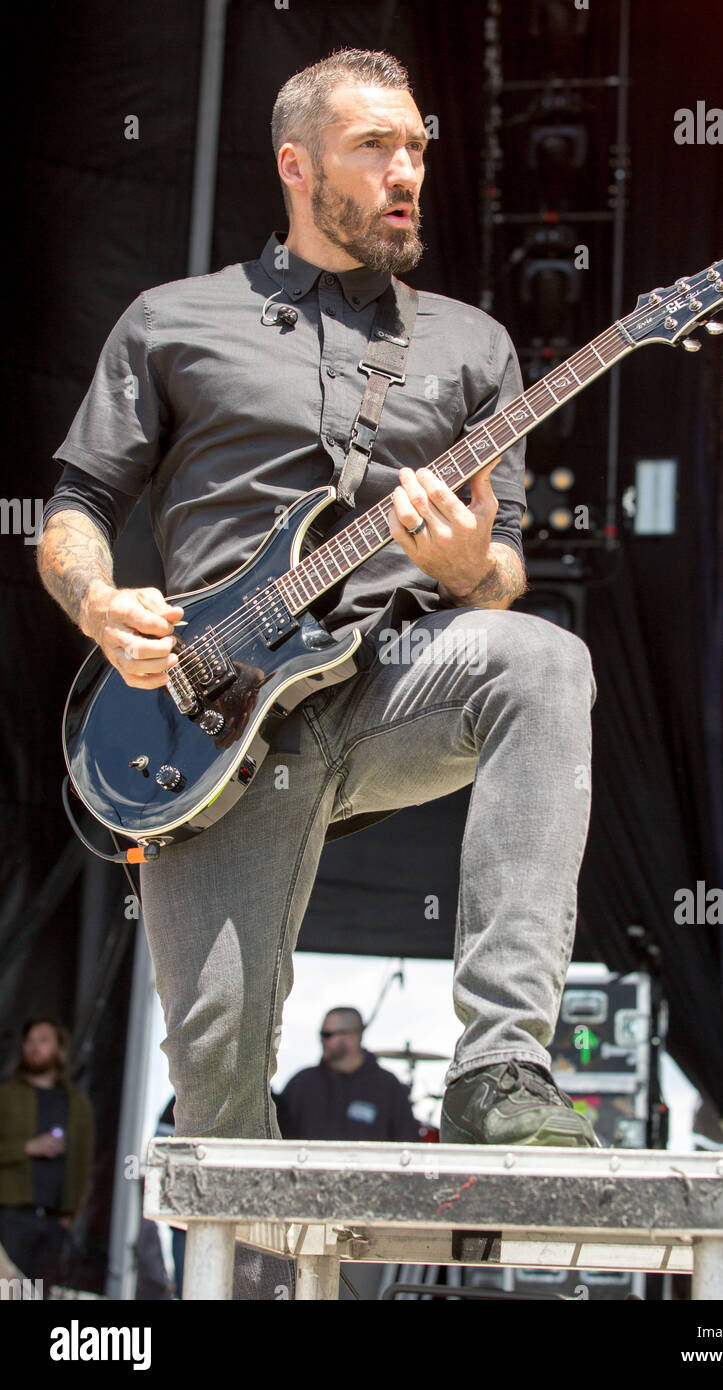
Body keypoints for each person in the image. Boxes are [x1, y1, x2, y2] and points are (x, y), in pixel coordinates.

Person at [37, 48, 598, 1294]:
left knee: (542, 663)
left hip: (387, 679)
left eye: (416, 148)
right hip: (206, 726)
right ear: (296, 164)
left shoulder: (472, 346)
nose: (406, 173)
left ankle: (500, 1067)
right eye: (374, 148)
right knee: (221, 1107)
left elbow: (501, 570)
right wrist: (100, 605)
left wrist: (467, 565)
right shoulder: (172, 320)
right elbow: (73, 508)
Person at [0, 1018, 94, 1291]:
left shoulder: (77, 1104)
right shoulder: (7, 1096)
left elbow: (84, 1164)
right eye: (29, 1041)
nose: (35, 1047)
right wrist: (27, 1147)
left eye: (43, 1040)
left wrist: (70, 1216)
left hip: (54, 1222)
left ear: (59, 1048)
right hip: (11, 1217)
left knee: (40, 1292)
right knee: (9, 1291)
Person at [275, 1008, 419, 1141]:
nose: (322, 1040)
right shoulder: (302, 1082)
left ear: (352, 1036)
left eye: (327, 1034)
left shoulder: (387, 1086)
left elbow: (408, 1142)